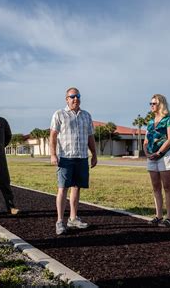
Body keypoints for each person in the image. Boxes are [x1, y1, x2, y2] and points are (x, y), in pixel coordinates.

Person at [49, 87, 97, 235]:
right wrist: (53, 154)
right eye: (72, 96)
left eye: (78, 96)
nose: (75, 99)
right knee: (62, 188)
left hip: (81, 157)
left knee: (77, 187)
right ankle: (59, 221)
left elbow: (90, 137)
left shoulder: (86, 116)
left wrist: (94, 154)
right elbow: (52, 136)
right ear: (67, 99)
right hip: (65, 158)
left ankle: (73, 218)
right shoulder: (59, 114)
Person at [143, 94, 170, 227]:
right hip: (152, 158)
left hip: (165, 156)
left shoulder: (169, 120)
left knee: (167, 187)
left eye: (154, 103)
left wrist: (159, 153)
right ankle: (158, 216)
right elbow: (146, 141)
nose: (151, 105)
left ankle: (169, 218)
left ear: (161, 104)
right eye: (150, 103)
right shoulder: (150, 122)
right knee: (156, 187)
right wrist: (147, 153)